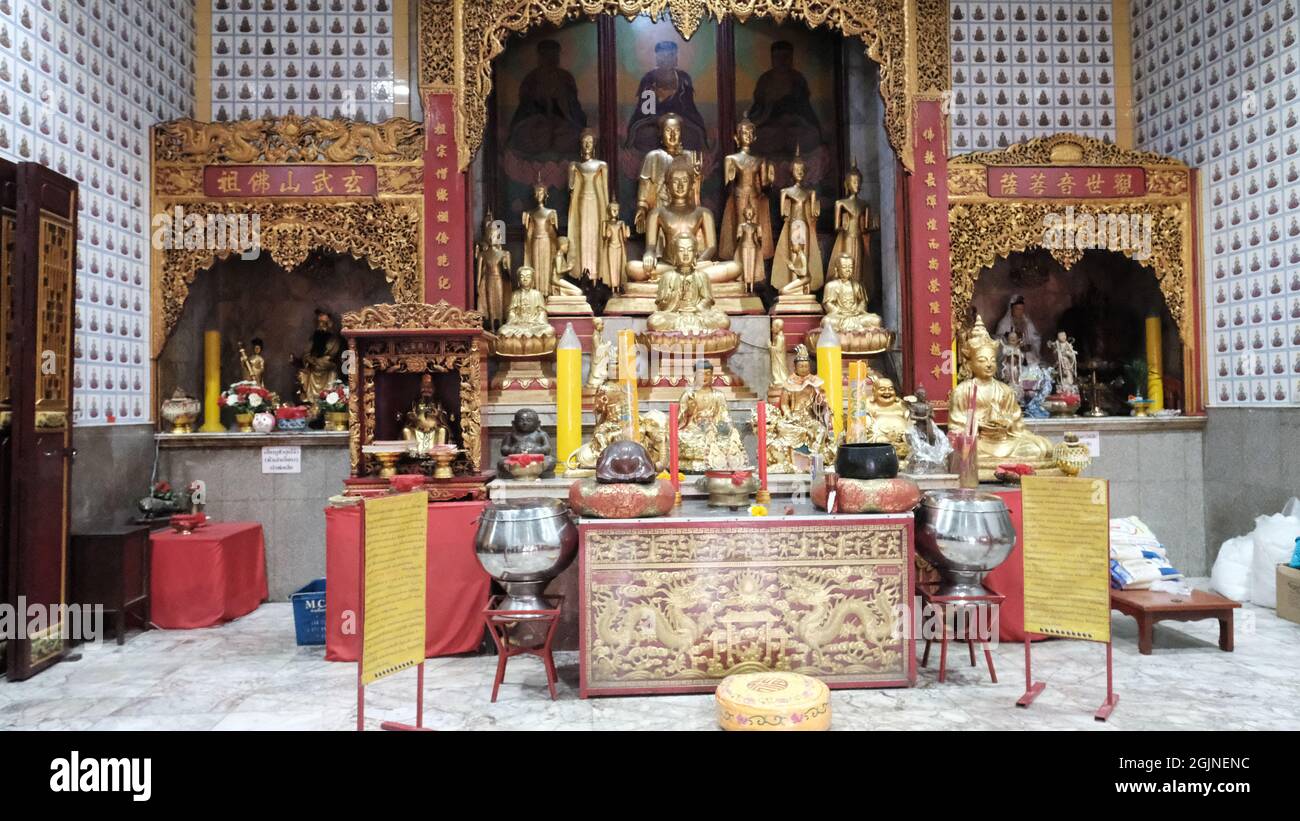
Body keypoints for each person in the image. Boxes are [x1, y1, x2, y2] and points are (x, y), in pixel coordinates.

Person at [625, 40, 710, 154]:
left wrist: (676, 119)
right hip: (653, 122)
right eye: (662, 56)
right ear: (657, 59)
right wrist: (661, 120)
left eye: (670, 56)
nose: (666, 60)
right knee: (646, 136)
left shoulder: (683, 79)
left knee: (692, 137)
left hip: (680, 123)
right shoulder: (649, 79)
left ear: (675, 59)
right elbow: (646, 111)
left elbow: (689, 108)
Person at [506, 38, 587, 156]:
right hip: (537, 124)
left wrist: (564, 112)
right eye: (546, 55)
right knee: (534, 136)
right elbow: (524, 108)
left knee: (571, 137)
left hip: (561, 125)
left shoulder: (566, 78)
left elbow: (574, 108)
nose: (551, 59)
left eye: (554, 55)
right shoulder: (531, 79)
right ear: (540, 57)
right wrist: (540, 115)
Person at [745, 40, 824, 156]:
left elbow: (805, 107)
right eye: (777, 57)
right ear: (772, 59)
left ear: (791, 58)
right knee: (759, 136)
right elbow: (758, 107)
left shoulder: (798, 79)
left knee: (812, 135)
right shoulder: (765, 80)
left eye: (785, 57)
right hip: (771, 125)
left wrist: (792, 118)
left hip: (794, 125)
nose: (782, 61)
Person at [994, 294, 1042, 366]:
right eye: (1017, 309)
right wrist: (1011, 343)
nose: (1020, 311)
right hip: (1011, 352)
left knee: (1033, 361)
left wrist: (1032, 346)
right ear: (1011, 309)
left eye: (1022, 309)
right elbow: (999, 340)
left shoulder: (1027, 322)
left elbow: (1035, 338)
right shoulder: (1004, 323)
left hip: (1026, 354)